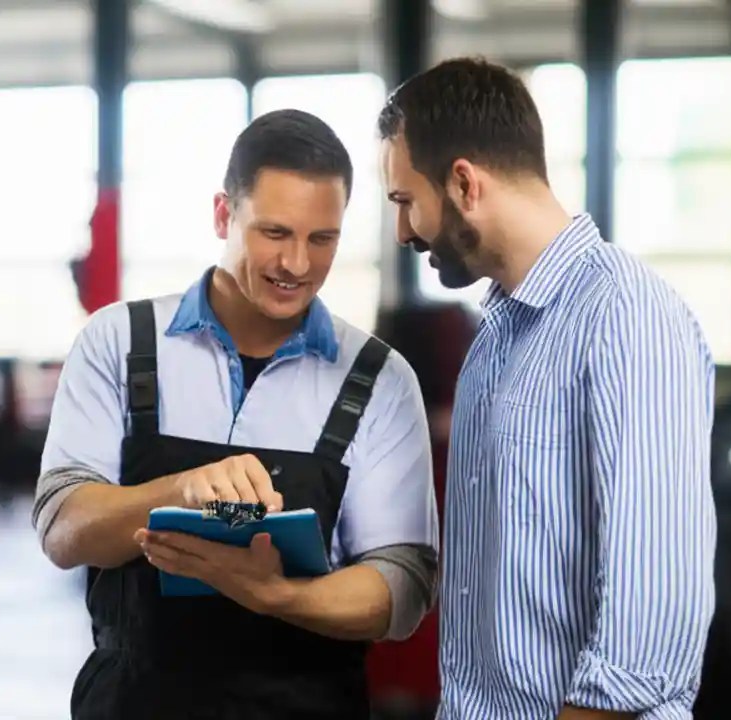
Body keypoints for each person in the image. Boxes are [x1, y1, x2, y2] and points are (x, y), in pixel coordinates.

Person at [31, 108, 440, 719]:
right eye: (274, 233)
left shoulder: (379, 381)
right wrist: (179, 491)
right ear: (224, 213)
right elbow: (62, 529)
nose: (296, 265)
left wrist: (276, 596)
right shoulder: (119, 343)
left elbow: (403, 587)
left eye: (321, 239)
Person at [377, 57, 717, 719]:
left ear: (464, 183)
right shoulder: (494, 342)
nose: (401, 231)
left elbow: (648, 624)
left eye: (405, 202)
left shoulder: (626, 316)